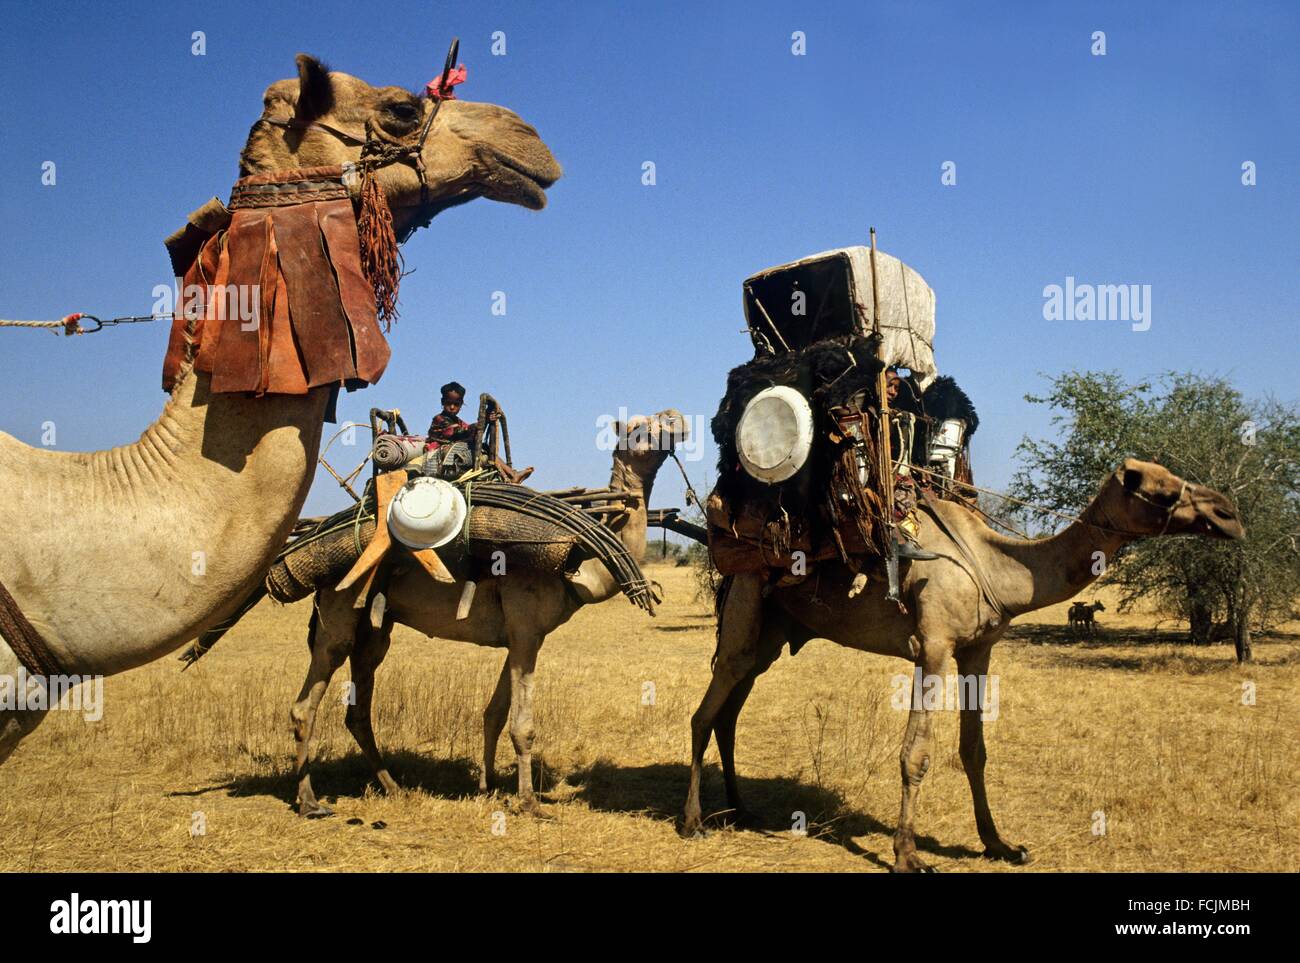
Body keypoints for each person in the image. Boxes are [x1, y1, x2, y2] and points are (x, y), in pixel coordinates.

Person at [426, 381, 477, 449]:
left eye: (456, 404)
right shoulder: (439, 419)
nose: (452, 407)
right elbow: (457, 432)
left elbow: (470, 433)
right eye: (448, 403)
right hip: (437, 452)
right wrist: (478, 425)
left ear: (461, 404)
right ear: (442, 402)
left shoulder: (460, 422)